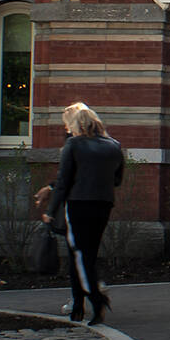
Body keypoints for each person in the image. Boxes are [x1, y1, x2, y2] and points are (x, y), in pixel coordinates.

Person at [40, 102, 124, 325]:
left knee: (77, 254)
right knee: (87, 254)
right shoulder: (114, 145)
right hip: (103, 204)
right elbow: (118, 179)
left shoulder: (74, 145)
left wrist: (50, 211)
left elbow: (63, 181)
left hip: (77, 204)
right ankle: (78, 305)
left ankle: (94, 300)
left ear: (76, 124)